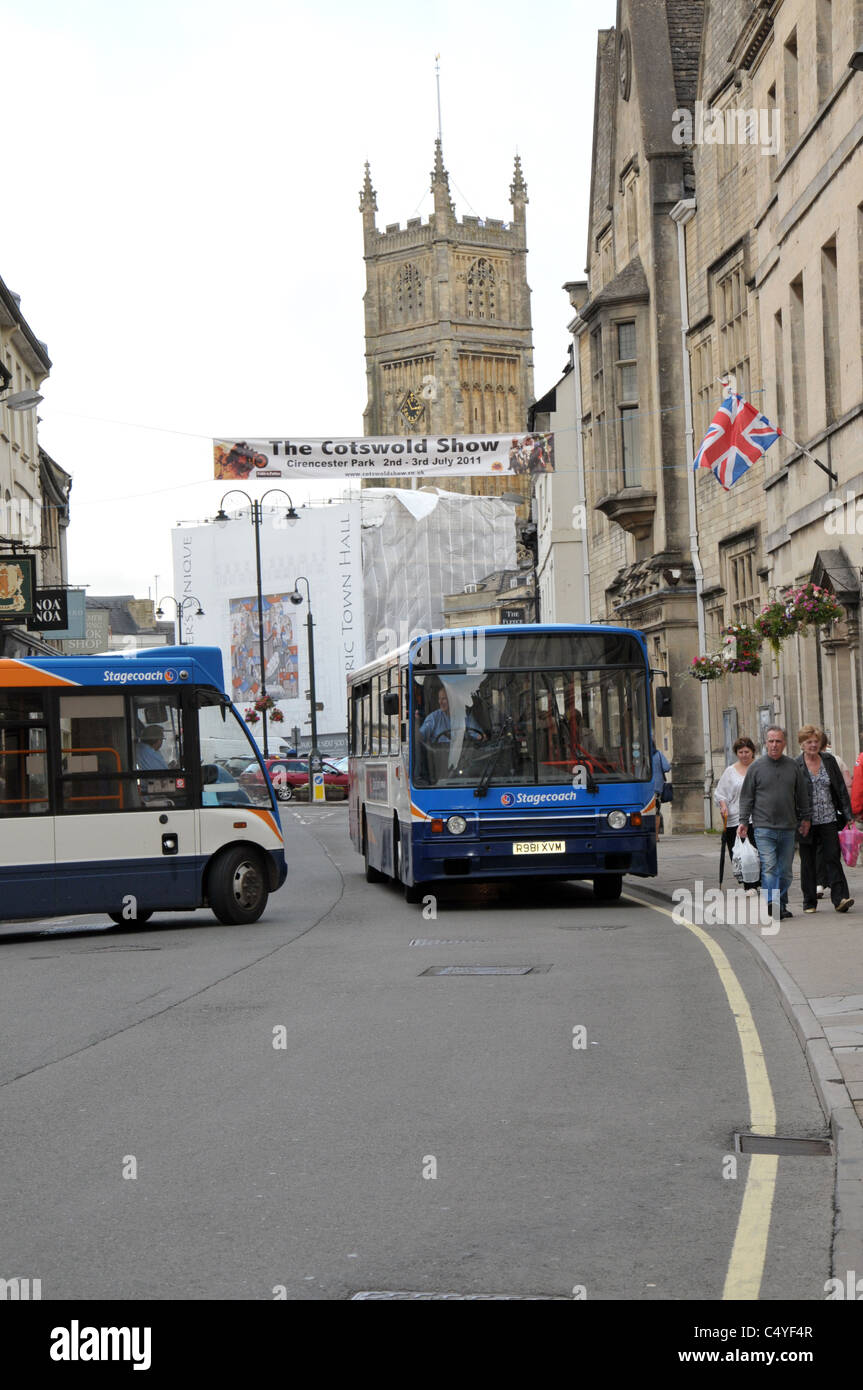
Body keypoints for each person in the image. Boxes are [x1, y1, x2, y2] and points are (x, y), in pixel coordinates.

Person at [738, 726, 811, 920]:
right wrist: (743, 821)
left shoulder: (793, 766)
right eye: (770, 741)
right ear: (765, 743)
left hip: (788, 827)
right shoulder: (756, 767)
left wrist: (805, 818)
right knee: (770, 867)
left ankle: (781, 904)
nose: (774, 745)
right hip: (763, 827)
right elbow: (746, 797)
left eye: (778, 741)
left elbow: (802, 794)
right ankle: (773, 902)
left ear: (784, 743)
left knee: (785, 871)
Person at [795, 724, 854, 913]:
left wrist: (848, 815)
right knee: (808, 861)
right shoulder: (796, 765)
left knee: (832, 858)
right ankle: (809, 901)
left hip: (829, 818)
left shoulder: (828, 760)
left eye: (815, 741)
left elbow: (841, 789)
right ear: (802, 744)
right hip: (806, 821)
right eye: (808, 742)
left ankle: (840, 898)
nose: (813, 745)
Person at [714, 737, 760, 889]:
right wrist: (723, 805)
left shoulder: (759, 767)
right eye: (740, 752)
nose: (744, 755)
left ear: (753, 752)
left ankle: (760, 881)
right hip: (735, 818)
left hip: (758, 817)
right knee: (742, 855)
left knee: (758, 852)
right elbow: (720, 794)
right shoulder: (730, 772)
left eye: (747, 752)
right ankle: (749, 884)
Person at [419, 687, 485, 745]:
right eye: (439, 699)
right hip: (439, 757)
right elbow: (420, 736)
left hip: (463, 756)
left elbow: (480, 736)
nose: (440, 702)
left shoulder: (465, 716)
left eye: (444, 699)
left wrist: (483, 738)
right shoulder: (433, 718)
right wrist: (416, 725)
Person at [652, 745, 670, 834]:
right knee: (657, 811)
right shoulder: (658, 754)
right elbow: (667, 767)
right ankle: (656, 836)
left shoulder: (641, 755)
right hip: (657, 788)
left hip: (643, 788)